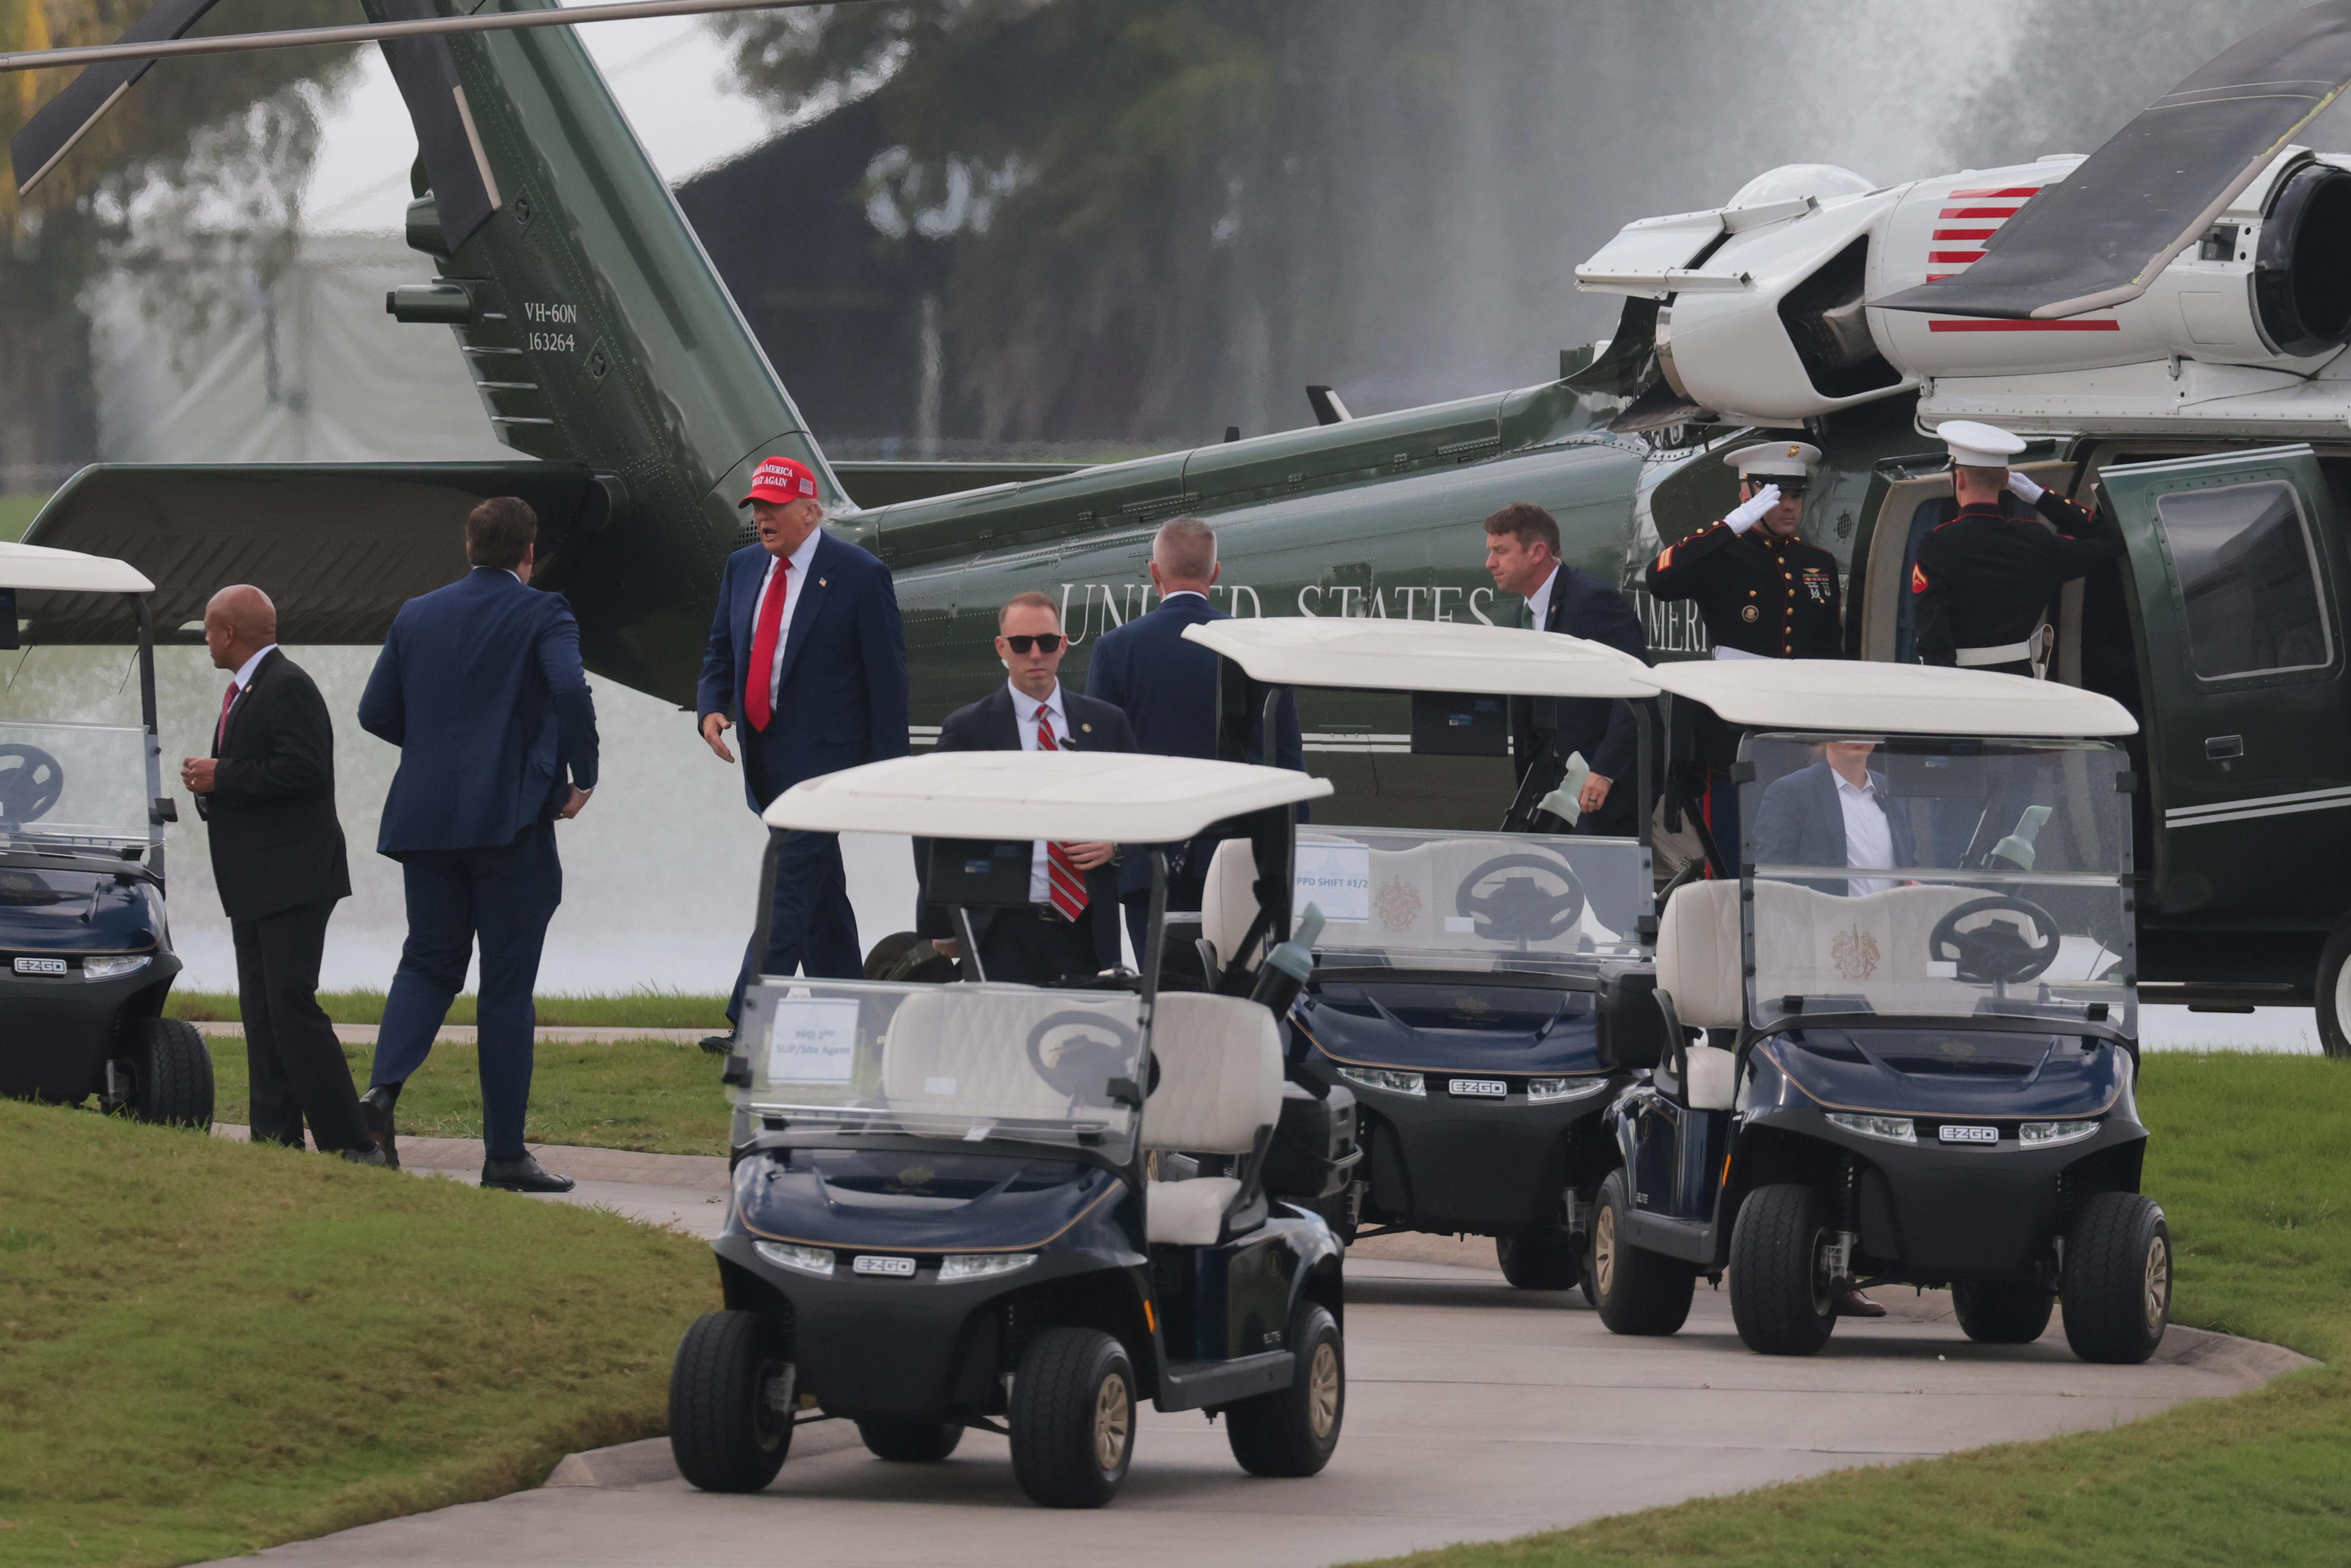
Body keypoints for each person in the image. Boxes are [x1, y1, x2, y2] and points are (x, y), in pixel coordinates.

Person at [356, 497, 599, 1192]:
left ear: (469, 546)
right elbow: (569, 691)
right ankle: (503, 1155)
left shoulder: (416, 613)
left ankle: (380, 1095)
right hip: (510, 825)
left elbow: (376, 712)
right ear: (529, 555)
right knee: (506, 989)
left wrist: (439, 747)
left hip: (426, 822)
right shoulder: (544, 612)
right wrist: (582, 773)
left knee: (427, 963)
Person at [697, 454, 909, 1039]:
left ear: (811, 512)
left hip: (828, 769)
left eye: (775, 507)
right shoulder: (743, 568)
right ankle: (851, 1014)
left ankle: (750, 1018)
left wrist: (888, 775)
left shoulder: (859, 575)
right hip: (767, 761)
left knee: (788, 889)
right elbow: (721, 653)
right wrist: (711, 707)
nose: (762, 517)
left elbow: (887, 681)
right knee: (819, 895)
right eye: (757, 507)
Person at [179, 586, 380, 1164]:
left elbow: (305, 771)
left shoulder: (287, 686)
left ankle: (351, 1142)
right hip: (256, 883)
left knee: (291, 1008)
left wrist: (227, 774)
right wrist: (213, 786)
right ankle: (275, 1142)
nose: (207, 640)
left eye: (210, 631)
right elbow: (260, 778)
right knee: (262, 1014)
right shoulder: (246, 691)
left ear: (228, 634)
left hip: (293, 880)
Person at [1084, 515, 1302, 961]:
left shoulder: (1116, 649)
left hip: (1146, 860)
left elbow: (1095, 764)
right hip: (1239, 861)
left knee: (1162, 1001)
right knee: (1232, 996)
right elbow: (1287, 763)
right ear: (1215, 574)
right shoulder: (1257, 649)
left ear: (1154, 573)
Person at [1646, 440, 1842, 863]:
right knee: (1738, 856)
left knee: (1804, 855)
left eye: (1796, 495)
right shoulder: (1719, 555)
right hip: (1735, 731)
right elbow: (1660, 581)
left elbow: (1832, 650)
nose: (1790, 506)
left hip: (1800, 732)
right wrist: (1728, 528)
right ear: (1746, 493)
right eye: (1776, 495)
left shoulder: (1818, 562)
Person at [925, 592, 1135, 985]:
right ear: (1002, 648)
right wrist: (941, 923)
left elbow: (1144, 807)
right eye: (1022, 644)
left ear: (1064, 644)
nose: (1036, 654)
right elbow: (934, 828)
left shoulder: (1106, 724)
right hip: (1001, 928)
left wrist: (1115, 845)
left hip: (1086, 928)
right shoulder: (968, 729)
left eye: (1047, 642)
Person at [1481, 501, 1650, 836]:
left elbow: (1636, 687)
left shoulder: (1593, 601)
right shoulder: (1526, 610)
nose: (1490, 563)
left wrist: (1605, 771)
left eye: (1500, 551)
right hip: (1552, 779)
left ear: (1537, 552)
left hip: (1597, 787)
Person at [1912, 421, 2122, 678]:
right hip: (2021, 681)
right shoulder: (2036, 541)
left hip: (1962, 684)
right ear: (2005, 481)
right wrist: (2039, 496)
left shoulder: (1937, 544)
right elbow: (2109, 542)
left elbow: (1933, 640)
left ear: (1960, 479)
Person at [1748, 741, 1916, 897]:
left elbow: (1909, 864)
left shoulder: (1893, 792)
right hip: (1825, 923)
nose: (1857, 736)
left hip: (1890, 922)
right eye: (1846, 727)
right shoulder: (1790, 792)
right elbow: (1772, 878)